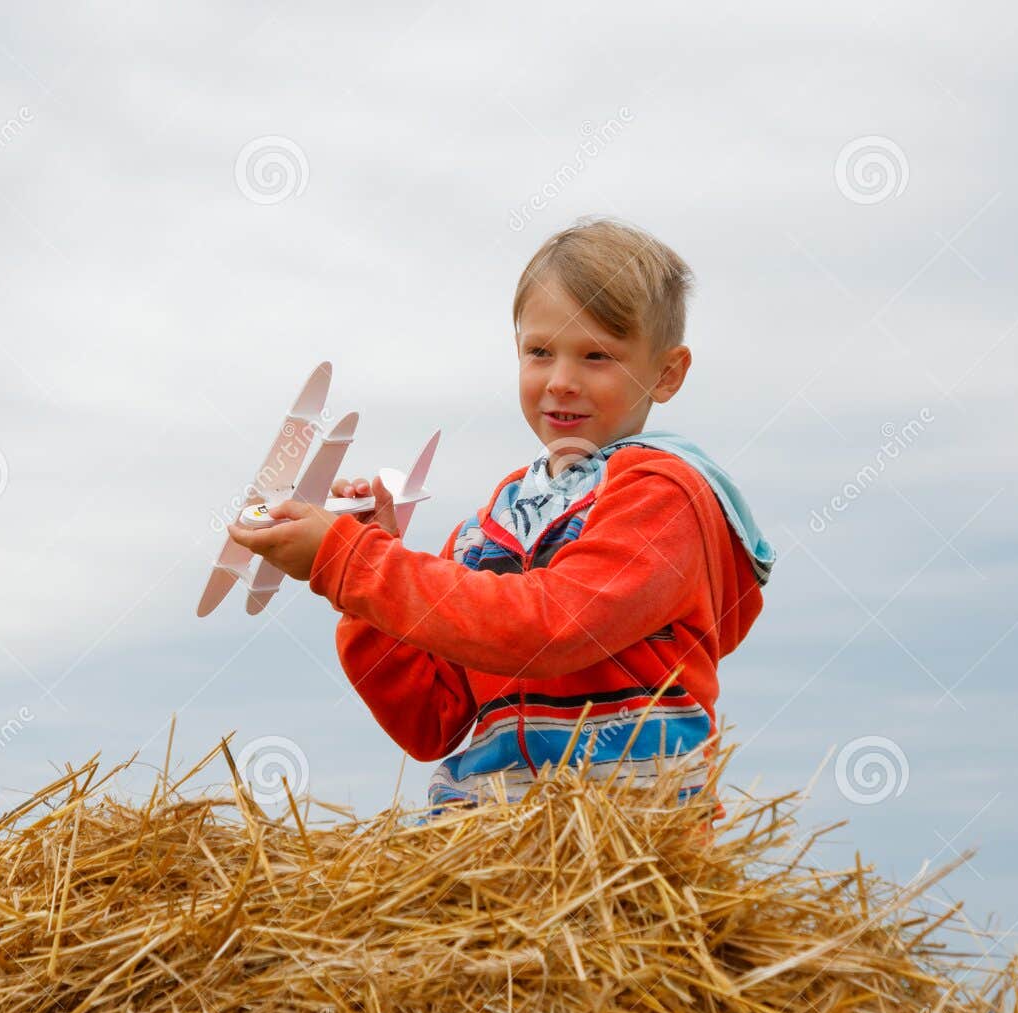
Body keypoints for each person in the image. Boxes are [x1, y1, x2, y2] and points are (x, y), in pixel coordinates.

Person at [226, 216, 776, 819]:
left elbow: (549, 629)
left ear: (666, 374)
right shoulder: (498, 520)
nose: (561, 381)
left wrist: (348, 561)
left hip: (622, 850)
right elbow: (428, 719)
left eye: (597, 356)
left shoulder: (663, 495)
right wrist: (364, 572)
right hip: (490, 850)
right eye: (539, 352)